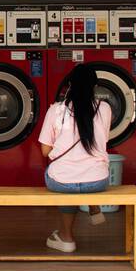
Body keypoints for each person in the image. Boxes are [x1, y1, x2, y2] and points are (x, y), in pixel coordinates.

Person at [37, 63, 112, 253]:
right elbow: (102, 140)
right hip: (97, 181)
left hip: (62, 181)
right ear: (95, 86)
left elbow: (45, 151)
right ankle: (92, 205)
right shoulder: (105, 108)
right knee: (84, 171)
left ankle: (66, 238)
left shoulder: (56, 110)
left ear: (69, 85)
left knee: (63, 176)